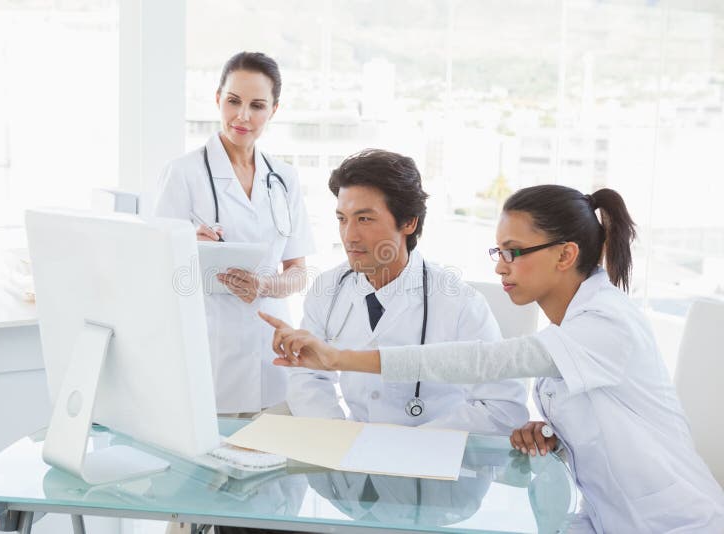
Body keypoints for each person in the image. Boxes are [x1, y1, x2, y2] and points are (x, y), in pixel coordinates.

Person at [261, 185, 724, 533]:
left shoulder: (606, 321)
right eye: (497, 251)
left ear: (566, 255)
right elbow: (607, 422)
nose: (500, 266)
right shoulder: (569, 326)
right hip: (607, 519)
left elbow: (485, 362)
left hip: (676, 523)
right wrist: (551, 433)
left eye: (514, 252)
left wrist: (340, 358)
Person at [286, 149, 527, 433]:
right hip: (352, 458)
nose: (349, 236)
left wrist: (411, 444)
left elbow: (503, 408)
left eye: (364, 219)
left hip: (435, 460)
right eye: (342, 219)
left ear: (409, 222)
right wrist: (338, 433)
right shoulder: (328, 288)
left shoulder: (460, 303)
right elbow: (307, 376)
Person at [154, 51, 314, 417]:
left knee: (276, 466)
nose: (243, 116)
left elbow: (298, 272)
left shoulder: (284, 178)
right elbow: (156, 272)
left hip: (273, 354)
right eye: (233, 101)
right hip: (211, 355)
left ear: (273, 110)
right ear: (217, 99)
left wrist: (264, 286)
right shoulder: (183, 174)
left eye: (257, 105)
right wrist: (186, 251)